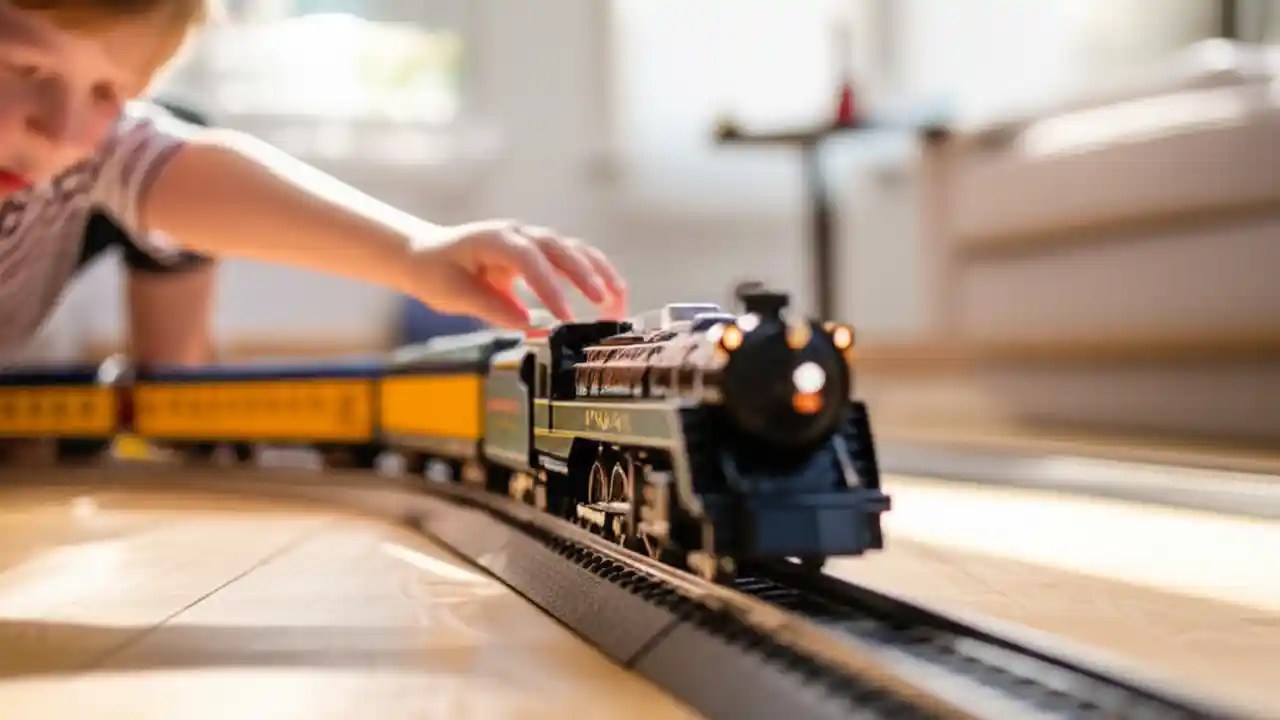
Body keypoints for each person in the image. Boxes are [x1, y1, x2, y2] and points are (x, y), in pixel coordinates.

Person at [0, 0, 629, 369]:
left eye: (110, 92)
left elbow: (196, 174)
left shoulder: (84, 150)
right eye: (22, 66)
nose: (60, 128)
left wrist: (415, 253)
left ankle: (174, 405)